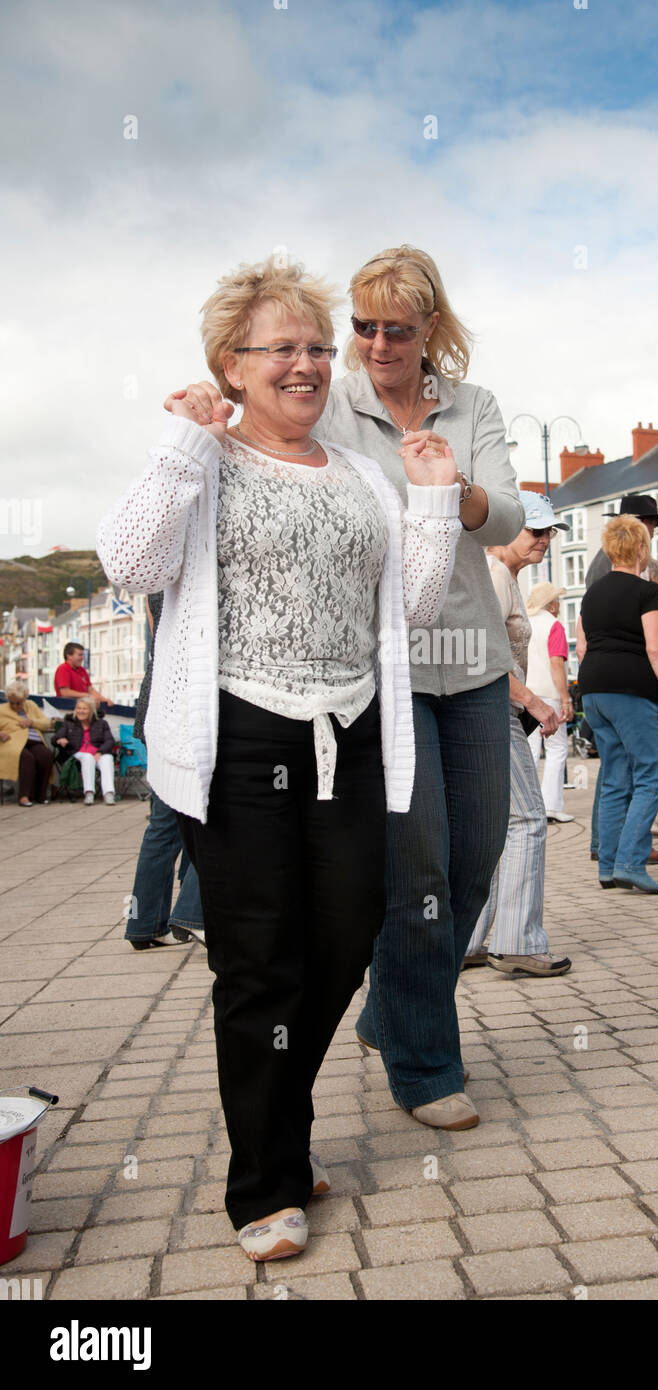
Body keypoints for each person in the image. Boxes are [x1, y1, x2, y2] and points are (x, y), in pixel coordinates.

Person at [100, 252, 462, 1262]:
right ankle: (265, 1180)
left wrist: (431, 499)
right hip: (239, 735)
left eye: (314, 347)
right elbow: (128, 562)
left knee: (344, 938)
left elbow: (413, 608)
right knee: (259, 963)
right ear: (231, 363)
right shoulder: (202, 460)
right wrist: (181, 442)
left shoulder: (357, 473)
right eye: (280, 349)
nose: (305, 365)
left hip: (350, 734)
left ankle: (278, 1120)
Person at [168, 243, 521, 1133]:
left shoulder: (470, 405)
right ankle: (424, 1062)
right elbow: (281, 483)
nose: (371, 344)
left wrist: (453, 492)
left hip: (471, 655)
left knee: (475, 860)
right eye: (358, 327)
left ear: (429, 328)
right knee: (417, 871)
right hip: (384, 674)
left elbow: (510, 516)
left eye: (393, 328)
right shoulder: (326, 402)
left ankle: (389, 1006)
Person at [464, 494, 572, 977]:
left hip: (490, 712)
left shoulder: (501, 575)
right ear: (507, 527)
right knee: (527, 820)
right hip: (495, 711)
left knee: (496, 827)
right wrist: (533, 700)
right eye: (536, 531)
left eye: (550, 532)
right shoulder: (493, 574)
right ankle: (517, 942)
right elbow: (483, 658)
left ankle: (468, 940)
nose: (545, 540)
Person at [576, 514, 658, 893]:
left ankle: (607, 866)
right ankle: (631, 862)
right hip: (630, 689)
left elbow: (583, 645)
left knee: (616, 777)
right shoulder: (647, 591)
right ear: (641, 548)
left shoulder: (593, 593)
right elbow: (656, 647)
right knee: (653, 773)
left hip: (594, 690)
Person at [126, 593, 205, 951]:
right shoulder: (204, 563)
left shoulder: (154, 582)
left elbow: (158, 635)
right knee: (214, 815)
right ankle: (193, 915)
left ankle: (144, 923)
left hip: (158, 701)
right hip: (189, 703)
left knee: (163, 825)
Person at [526, 578, 576, 822]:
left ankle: (527, 804)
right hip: (549, 694)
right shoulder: (553, 626)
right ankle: (552, 805)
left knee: (531, 749)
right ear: (553, 605)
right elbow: (557, 664)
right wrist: (565, 697)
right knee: (557, 748)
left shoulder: (525, 623)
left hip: (527, 693)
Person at [53, 696, 116, 804]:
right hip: (77, 752)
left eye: (84, 709)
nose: (80, 711)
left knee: (107, 758)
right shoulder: (69, 723)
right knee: (87, 757)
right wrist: (60, 739)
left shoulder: (101, 723)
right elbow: (55, 738)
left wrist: (100, 752)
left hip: (97, 752)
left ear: (91, 711)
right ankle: (89, 792)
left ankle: (109, 793)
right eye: (79, 708)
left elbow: (110, 741)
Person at [0, 681, 54, 806]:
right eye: (12, 702)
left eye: (18, 703)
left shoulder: (31, 705)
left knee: (46, 755)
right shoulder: (1, 710)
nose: (15, 706)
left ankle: (40, 795)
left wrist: (31, 722)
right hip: (12, 743)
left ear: (24, 699)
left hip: (33, 740)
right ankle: (24, 796)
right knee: (27, 758)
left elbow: (46, 723)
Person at [53, 642, 112, 707]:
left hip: (84, 707)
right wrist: (87, 696)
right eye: (80, 655)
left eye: (83, 655)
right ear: (69, 656)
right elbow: (65, 693)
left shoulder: (82, 670)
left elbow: (90, 690)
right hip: (68, 707)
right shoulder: (63, 669)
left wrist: (104, 699)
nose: (82, 658)